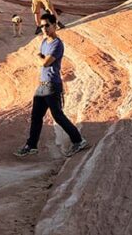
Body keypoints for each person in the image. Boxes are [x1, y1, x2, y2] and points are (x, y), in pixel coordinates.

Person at [15, 12, 88, 158]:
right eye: (42, 26)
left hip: (52, 85)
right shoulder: (44, 42)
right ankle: (31, 145)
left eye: (47, 25)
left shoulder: (57, 44)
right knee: (36, 116)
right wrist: (41, 57)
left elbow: (45, 62)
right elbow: (43, 59)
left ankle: (78, 140)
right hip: (42, 85)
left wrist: (39, 57)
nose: (44, 28)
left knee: (58, 116)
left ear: (55, 25)